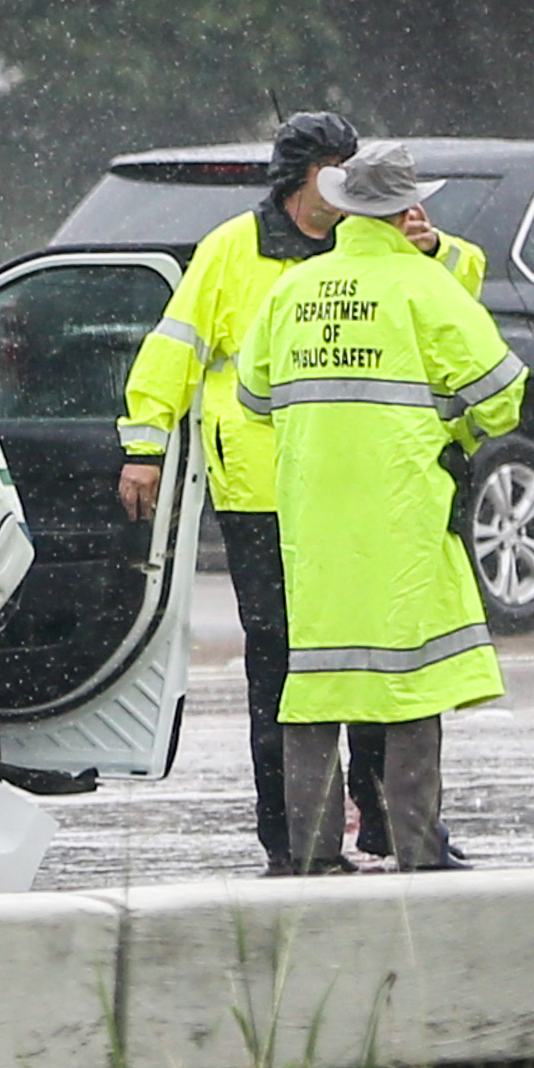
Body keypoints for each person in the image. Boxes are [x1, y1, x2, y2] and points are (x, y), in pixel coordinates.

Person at [116, 113, 486, 873]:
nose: (347, 179)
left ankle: (389, 824)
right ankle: (291, 838)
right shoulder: (231, 252)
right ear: (297, 177)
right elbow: (174, 347)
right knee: (283, 672)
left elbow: (459, 305)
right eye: (334, 165)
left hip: (366, 490)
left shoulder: (383, 244)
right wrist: (145, 444)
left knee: (385, 659)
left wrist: (436, 248)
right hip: (265, 493)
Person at [238, 141, 526, 873]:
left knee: (313, 687)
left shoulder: (294, 290)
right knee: (409, 680)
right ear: (405, 210)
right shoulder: (422, 285)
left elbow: (253, 395)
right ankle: (416, 848)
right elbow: (502, 395)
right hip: (401, 509)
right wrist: (447, 415)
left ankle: (311, 854)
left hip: (312, 517)